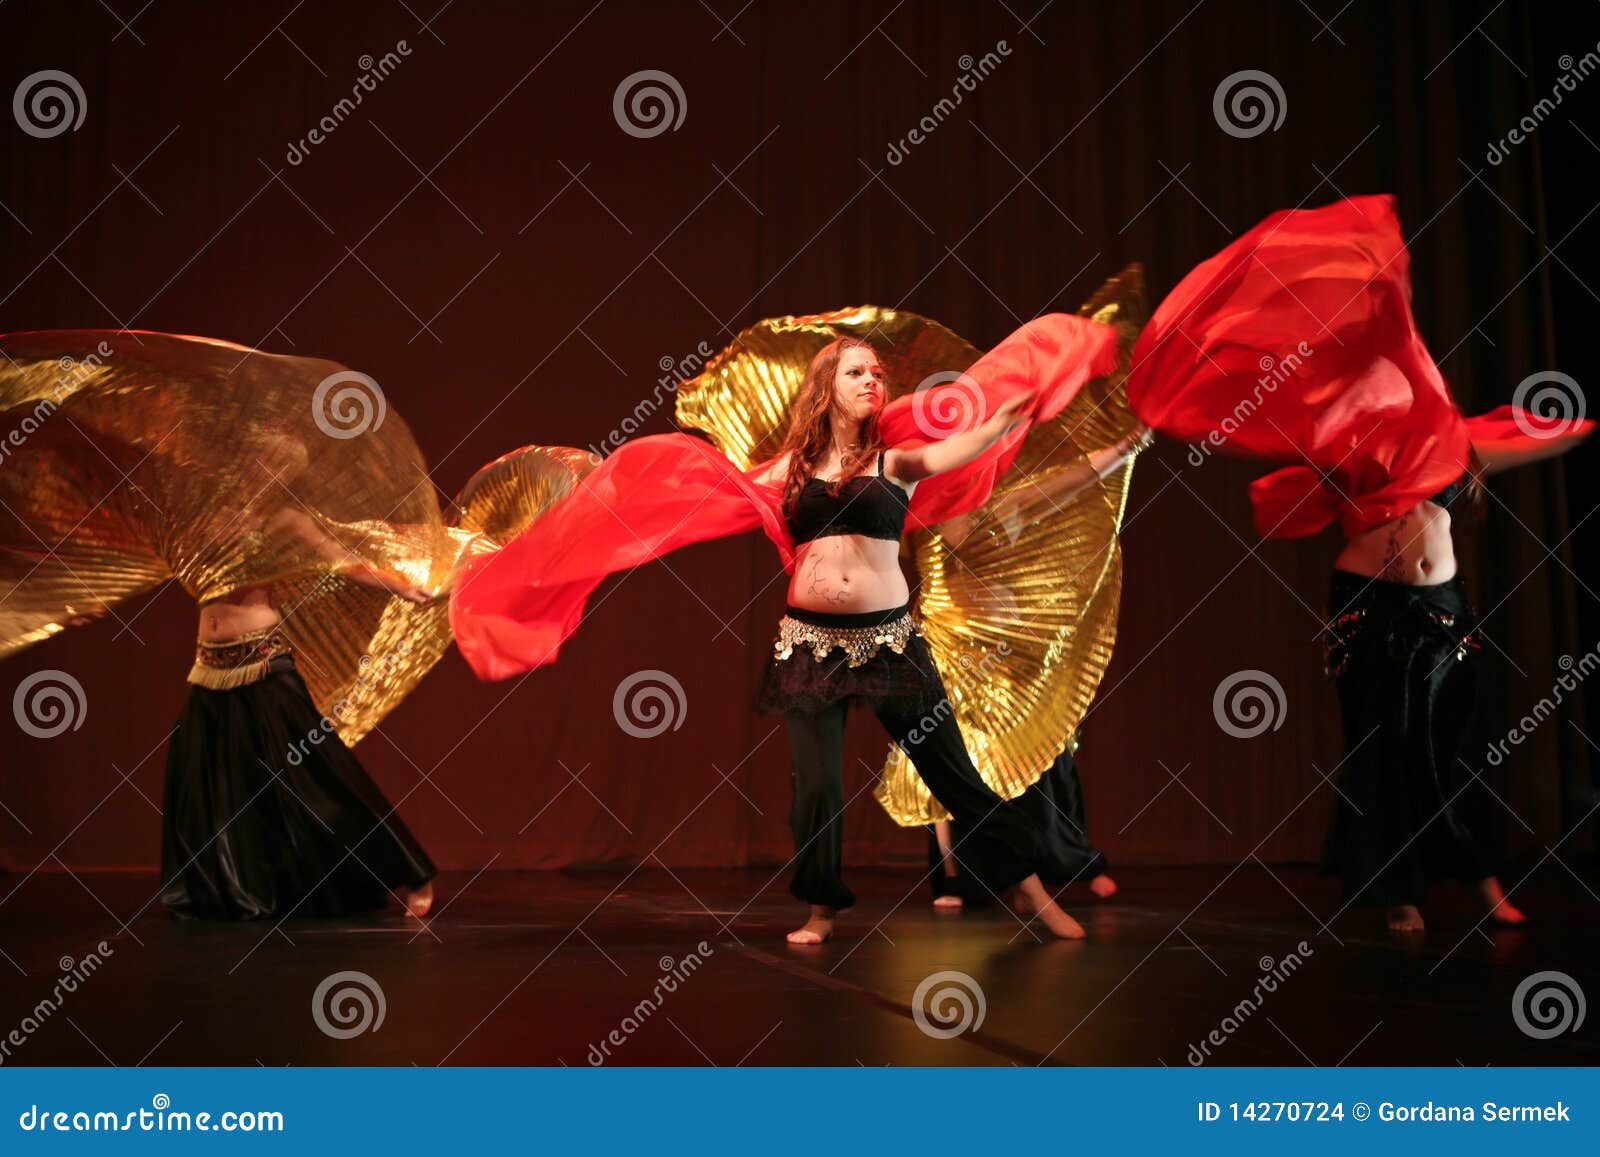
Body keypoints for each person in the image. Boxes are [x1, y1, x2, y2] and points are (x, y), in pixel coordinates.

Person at [450, 311, 1123, 942]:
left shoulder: (899, 462)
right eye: (857, 372)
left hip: (889, 643)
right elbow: (705, 494)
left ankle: (1035, 892)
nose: (872, 382)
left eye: (877, 374)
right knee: (817, 786)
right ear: (826, 389)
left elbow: (975, 440)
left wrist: (1022, 404)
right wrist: (603, 519)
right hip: (809, 646)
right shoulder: (789, 472)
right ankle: (821, 905)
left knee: (953, 774)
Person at [1126, 193, 1595, 933]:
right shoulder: (1341, 444)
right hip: (1364, 601)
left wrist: (1574, 427)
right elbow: (1287, 490)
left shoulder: (1451, 440)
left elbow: (1545, 439)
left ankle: (1482, 883)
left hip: (1440, 610)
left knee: (1452, 745)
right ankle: (1393, 889)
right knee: (1380, 745)